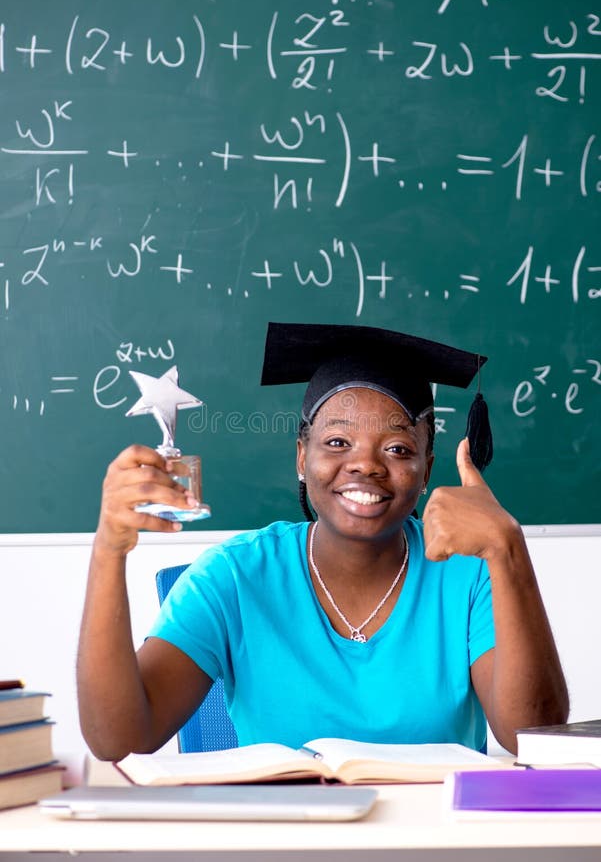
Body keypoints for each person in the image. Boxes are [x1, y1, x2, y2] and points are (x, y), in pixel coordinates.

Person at [77, 322, 568, 761]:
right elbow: (117, 738)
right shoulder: (234, 577)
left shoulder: (469, 572)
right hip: (286, 840)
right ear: (301, 456)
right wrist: (107, 550)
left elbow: (531, 735)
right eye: (337, 443)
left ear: (426, 470)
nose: (366, 466)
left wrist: (508, 551)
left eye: (397, 449)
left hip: (435, 842)